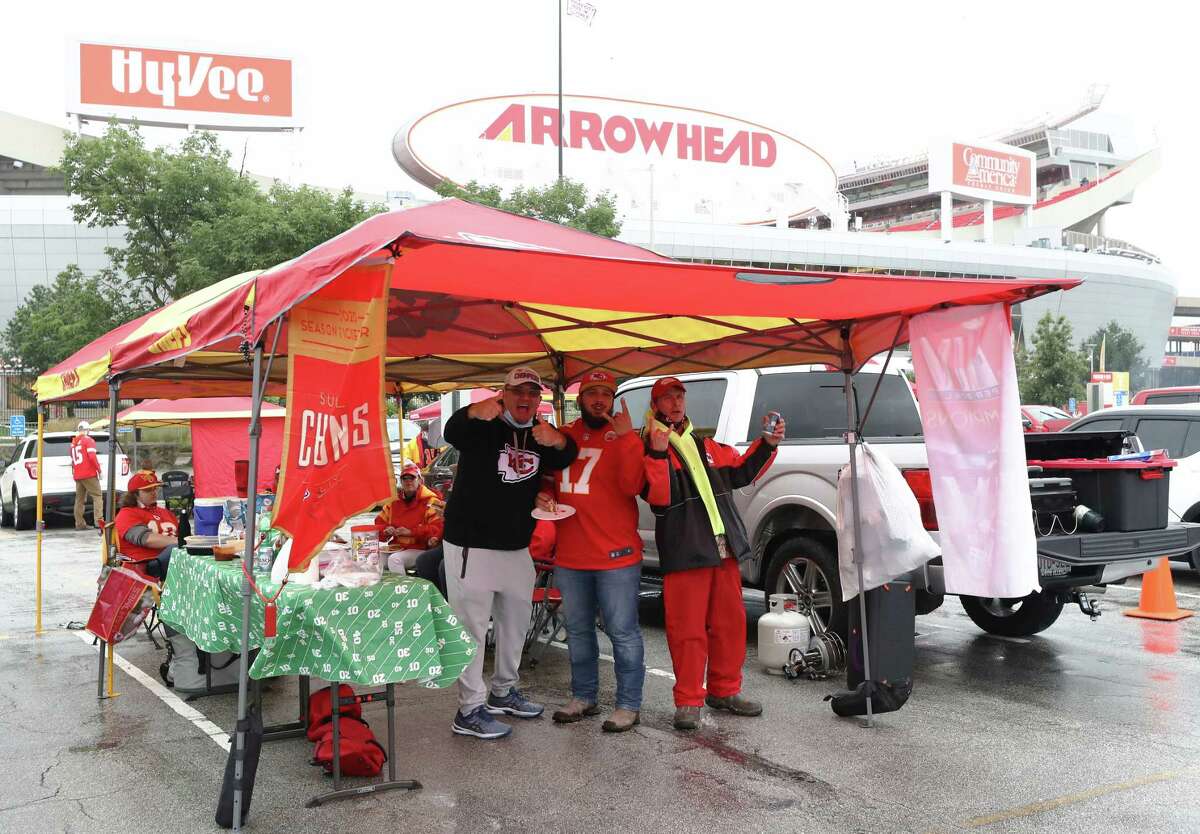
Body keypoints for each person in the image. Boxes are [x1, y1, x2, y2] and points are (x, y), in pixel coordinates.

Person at [441, 367, 577, 740]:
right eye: (518, 392)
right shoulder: (482, 424)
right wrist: (470, 412)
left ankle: (503, 690)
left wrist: (559, 440)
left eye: (532, 393)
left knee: (516, 621)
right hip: (472, 542)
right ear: (504, 393)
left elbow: (566, 458)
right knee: (470, 627)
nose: (525, 399)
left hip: (517, 543)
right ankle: (469, 710)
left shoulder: (538, 433)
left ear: (539, 399)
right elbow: (451, 433)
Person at [642, 377, 785, 731]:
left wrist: (767, 444)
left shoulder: (705, 444)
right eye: (667, 398)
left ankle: (725, 690)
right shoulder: (647, 445)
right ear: (655, 404)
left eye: (679, 396)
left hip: (724, 549)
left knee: (730, 625)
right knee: (686, 629)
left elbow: (741, 472)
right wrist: (658, 453)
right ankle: (689, 700)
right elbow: (658, 499)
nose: (675, 403)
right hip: (685, 549)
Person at [536, 370, 646, 733]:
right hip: (571, 555)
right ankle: (583, 696)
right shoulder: (564, 436)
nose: (599, 399)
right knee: (579, 631)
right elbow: (549, 480)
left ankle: (628, 704)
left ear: (613, 399)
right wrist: (546, 497)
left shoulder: (626, 438)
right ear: (580, 399)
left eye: (605, 393)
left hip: (616, 556)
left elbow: (633, 486)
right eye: (592, 393)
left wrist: (629, 439)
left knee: (622, 632)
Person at [376, 461, 444, 572]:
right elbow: (379, 525)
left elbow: (438, 529)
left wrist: (411, 532)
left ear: (420, 481)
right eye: (405, 478)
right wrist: (386, 530)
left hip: (422, 549)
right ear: (400, 482)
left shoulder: (432, 501)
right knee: (373, 558)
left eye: (412, 478)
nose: (408, 482)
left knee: (395, 560)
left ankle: (404, 589)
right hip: (397, 547)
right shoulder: (393, 503)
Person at [114, 470, 181, 581]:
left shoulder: (165, 513)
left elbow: (184, 535)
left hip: (169, 559)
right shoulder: (126, 514)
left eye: (155, 488)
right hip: (145, 564)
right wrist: (179, 542)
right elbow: (146, 539)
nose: (154, 492)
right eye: (148, 490)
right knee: (178, 551)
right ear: (135, 494)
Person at [71, 421, 103, 530]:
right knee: (97, 496)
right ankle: (99, 522)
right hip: (89, 473)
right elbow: (92, 457)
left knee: (79, 500)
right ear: (88, 430)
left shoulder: (73, 443)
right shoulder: (88, 440)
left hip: (78, 475)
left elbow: (73, 460)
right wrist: (99, 470)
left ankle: (79, 523)